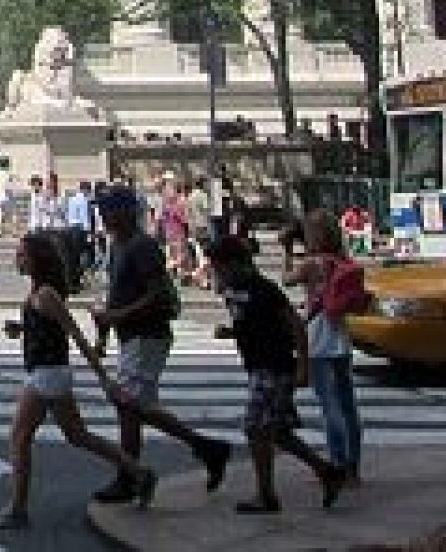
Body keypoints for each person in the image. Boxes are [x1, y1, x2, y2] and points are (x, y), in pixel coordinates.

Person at [0, 234, 154, 530]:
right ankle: (139, 472)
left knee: (20, 437)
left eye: (23, 255)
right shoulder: (39, 293)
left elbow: (75, 335)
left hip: (47, 374)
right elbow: (47, 328)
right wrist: (22, 329)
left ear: (37, 260)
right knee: (78, 435)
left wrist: (105, 379)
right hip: (50, 373)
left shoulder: (46, 294)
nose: (17, 260)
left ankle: (18, 509)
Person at [89, 185, 232, 501]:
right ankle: (195, 452)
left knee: (129, 404)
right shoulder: (118, 246)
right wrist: (104, 333)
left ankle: (139, 473)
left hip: (147, 335)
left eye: (109, 209)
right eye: (102, 210)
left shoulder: (142, 246)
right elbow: (116, 295)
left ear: (126, 212)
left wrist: (117, 316)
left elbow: (158, 294)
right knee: (132, 408)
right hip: (132, 335)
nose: (104, 215)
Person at [207, 233, 344, 513]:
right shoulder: (234, 289)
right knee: (278, 431)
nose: (218, 273)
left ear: (235, 264)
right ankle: (327, 471)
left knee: (256, 428)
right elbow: (252, 325)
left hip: (273, 367)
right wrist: (231, 332)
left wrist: (303, 366)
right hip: (259, 365)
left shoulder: (263, 289)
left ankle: (266, 495)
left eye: (220, 266)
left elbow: (295, 325)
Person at [286, 209, 365, 484]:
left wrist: (288, 250)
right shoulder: (344, 261)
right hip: (340, 338)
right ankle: (353, 466)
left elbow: (286, 279)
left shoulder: (311, 264)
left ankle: (337, 463)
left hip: (318, 340)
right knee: (348, 406)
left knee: (329, 407)